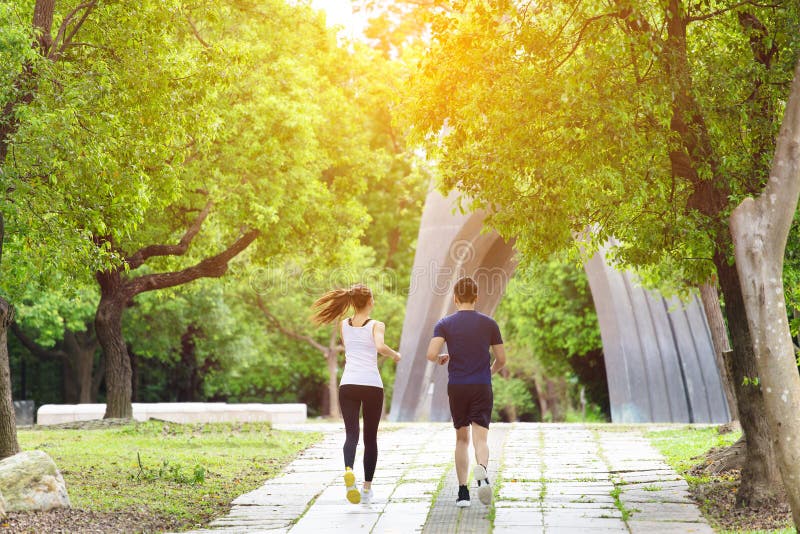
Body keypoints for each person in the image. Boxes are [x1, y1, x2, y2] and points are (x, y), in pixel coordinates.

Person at [311, 283, 401, 505]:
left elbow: (350, 349)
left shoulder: (343, 324)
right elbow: (379, 347)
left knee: (351, 435)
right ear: (370, 301)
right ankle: (367, 489)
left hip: (348, 384)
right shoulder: (377, 325)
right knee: (370, 438)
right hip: (371, 384)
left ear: (352, 302)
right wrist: (395, 354)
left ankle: (349, 473)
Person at [426, 276, 506, 508]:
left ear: (455, 298)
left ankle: (463, 493)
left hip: (458, 386)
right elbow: (501, 359)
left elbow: (431, 354)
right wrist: (488, 372)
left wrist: (441, 357)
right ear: (476, 297)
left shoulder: (445, 324)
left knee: (462, 439)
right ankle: (482, 473)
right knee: (481, 438)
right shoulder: (489, 324)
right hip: (481, 385)